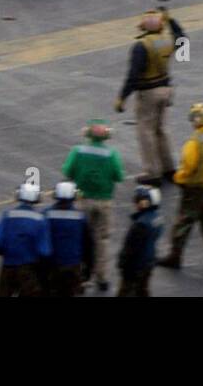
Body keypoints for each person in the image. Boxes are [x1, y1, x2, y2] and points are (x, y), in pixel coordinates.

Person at [115, 7, 185, 186]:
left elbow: (133, 75)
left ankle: (152, 172)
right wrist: (171, 21)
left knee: (145, 131)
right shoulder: (167, 40)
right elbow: (183, 37)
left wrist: (122, 97)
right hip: (165, 90)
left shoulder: (141, 46)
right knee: (161, 129)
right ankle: (169, 167)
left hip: (148, 93)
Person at [158, 102, 203, 270]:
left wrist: (178, 178)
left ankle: (175, 257)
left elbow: (188, 166)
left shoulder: (194, 142)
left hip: (193, 188)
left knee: (183, 222)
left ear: (197, 119)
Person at [61, 119, 124, 291]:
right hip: (104, 201)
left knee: (81, 238)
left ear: (87, 133)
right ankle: (101, 277)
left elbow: (67, 171)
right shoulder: (111, 155)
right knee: (101, 239)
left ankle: (81, 274)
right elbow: (119, 176)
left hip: (82, 200)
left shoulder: (78, 151)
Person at [0, 183, 51, 297]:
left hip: (7, 266)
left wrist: (4, 252)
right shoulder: (40, 220)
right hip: (28, 269)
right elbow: (44, 250)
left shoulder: (7, 216)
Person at [44, 181, 93, 296]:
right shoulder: (80, 217)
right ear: (74, 196)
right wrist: (88, 269)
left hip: (51, 266)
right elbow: (88, 245)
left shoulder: (46, 214)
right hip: (73, 266)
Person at [117, 185, 164, 296]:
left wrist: (123, 263)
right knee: (142, 289)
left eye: (138, 200)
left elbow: (131, 248)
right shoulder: (157, 218)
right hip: (149, 262)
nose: (135, 203)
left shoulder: (140, 224)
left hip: (136, 266)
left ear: (144, 203)